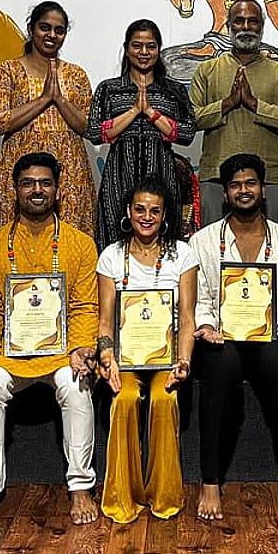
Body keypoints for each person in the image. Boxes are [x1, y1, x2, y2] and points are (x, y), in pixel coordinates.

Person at [0, 152, 100, 531]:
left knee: (76, 384)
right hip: (10, 351)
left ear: (57, 190)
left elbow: (86, 305)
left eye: (45, 183)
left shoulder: (81, 244)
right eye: (28, 183)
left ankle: (81, 486)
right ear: (15, 189)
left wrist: (82, 349)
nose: (37, 190)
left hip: (62, 351)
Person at [188, 153, 278, 522]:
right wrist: (207, 328)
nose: (244, 191)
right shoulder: (203, 241)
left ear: (263, 190)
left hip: (269, 336)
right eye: (236, 185)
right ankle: (210, 481)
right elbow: (202, 300)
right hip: (221, 337)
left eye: (251, 183)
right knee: (219, 366)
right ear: (225, 194)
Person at [95, 180, 198, 522]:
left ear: (165, 214)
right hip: (124, 359)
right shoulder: (111, 256)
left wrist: (184, 361)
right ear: (128, 212)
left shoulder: (182, 254)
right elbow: (105, 321)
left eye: (155, 210)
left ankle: (164, 495)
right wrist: (106, 357)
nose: (147, 216)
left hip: (167, 357)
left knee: (164, 399)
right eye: (140, 209)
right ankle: (123, 498)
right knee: (123, 400)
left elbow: (187, 317)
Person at [189, 0, 278, 225]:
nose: (246, 27)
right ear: (229, 26)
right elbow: (191, 120)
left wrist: (255, 105)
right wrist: (227, 103)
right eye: (239, 21)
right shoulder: (207, 70)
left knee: (273, 249)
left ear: (261, 26)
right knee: (211, 250)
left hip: (268, 177)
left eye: (253, 21)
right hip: (216, 174)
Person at [0, 1, 95, 236]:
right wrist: (43, 99)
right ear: (30, 28)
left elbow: (89, 127)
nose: (52, 35)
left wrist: (60, 99)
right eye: (44, 27)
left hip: (69, 171)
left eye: (59, 30)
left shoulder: (76, 74)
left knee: (69, 239)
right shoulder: (9, 70)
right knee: (18, 238)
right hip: (22, 167)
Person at [88, 19, 196, 250]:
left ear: (159, 49)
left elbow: (187, 133)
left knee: (163, 239)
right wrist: (134, 111)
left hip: (162, 172)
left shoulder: (173, 90)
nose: (144, 52)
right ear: (126, 49)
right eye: (137, 46)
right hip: (119, 174)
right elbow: (95, 132)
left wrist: (151, 113)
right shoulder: (109, 89)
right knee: (114, 238)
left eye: (151, 46)